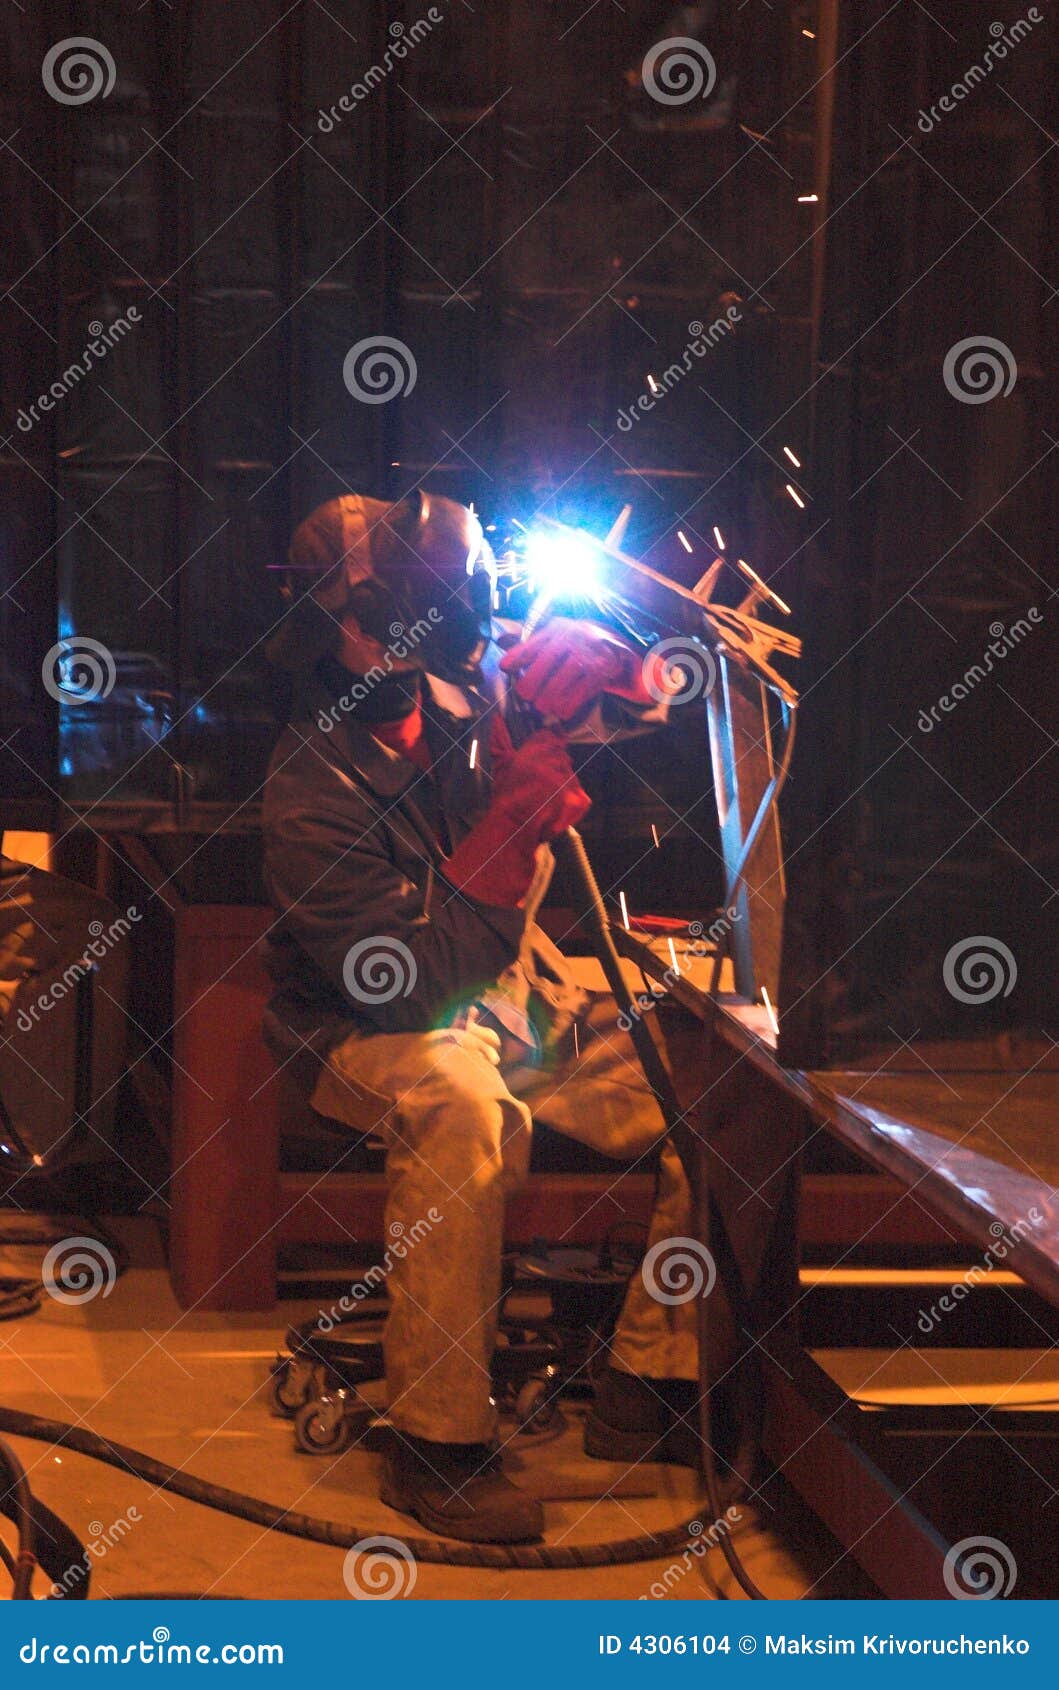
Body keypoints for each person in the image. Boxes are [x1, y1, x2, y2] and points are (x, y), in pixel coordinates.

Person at [261, 492, 703, 1544]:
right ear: (355, 628)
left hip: (513, 1000)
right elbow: (408, 989)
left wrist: (628, 668)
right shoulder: (308, 791)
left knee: (717, 1076)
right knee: (462, 1103)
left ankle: (651, 1380)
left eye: (462, 609)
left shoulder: (463, 687)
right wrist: (507, 835)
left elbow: (644, 704)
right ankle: (437, 1442)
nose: (462, 633)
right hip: (368, 1032)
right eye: (429, 613)